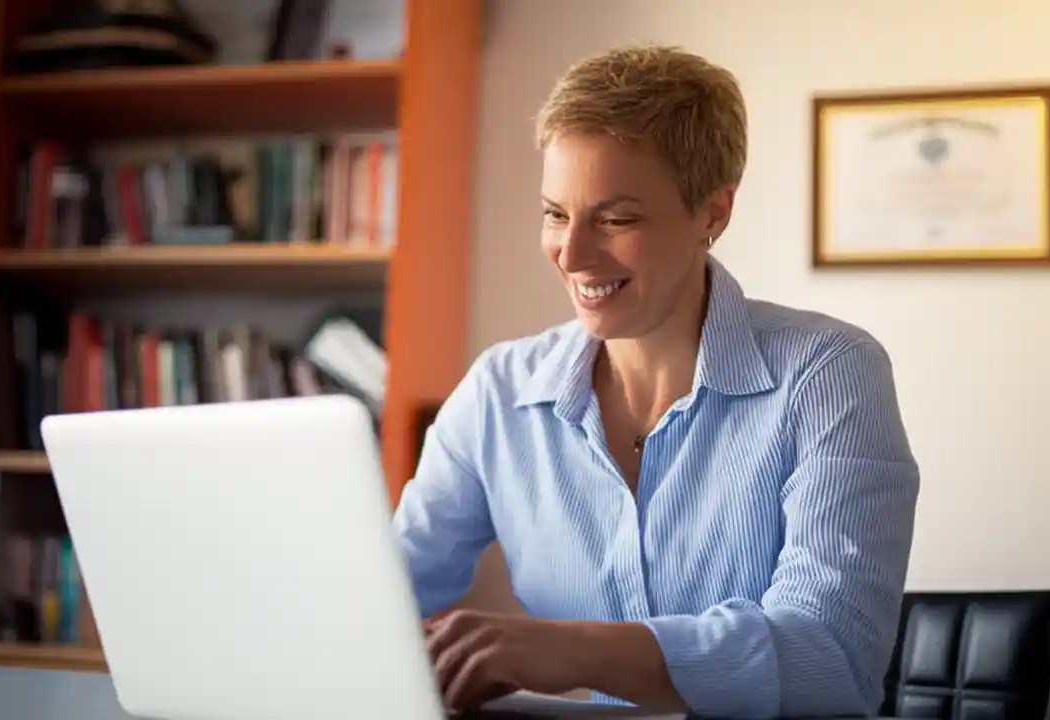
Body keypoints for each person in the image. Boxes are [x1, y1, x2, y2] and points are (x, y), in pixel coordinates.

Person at [394, 44, 919, 718]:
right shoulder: (499, 390)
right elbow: (383, 594)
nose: (573, 254)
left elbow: (828, 661)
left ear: (712, 214)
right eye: (556, 213)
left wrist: (569, 650)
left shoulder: (827, 373)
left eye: (617, 219)